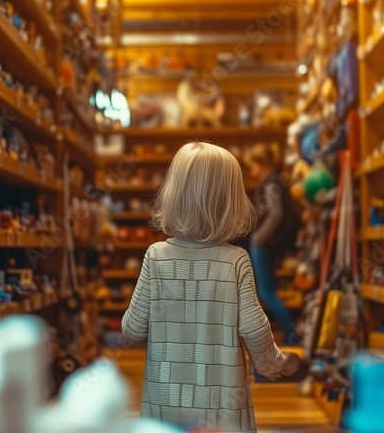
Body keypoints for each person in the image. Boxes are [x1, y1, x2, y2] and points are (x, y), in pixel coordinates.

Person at [121, 142, 300, 433]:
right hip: (224, 409)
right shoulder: (235, 260)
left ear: (173, 195)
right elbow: (254, 328)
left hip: (165, 406)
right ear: (232, 202)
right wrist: (272, 364)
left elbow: (133, 329)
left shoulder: (155, 257)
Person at [245, 143, 301, 345]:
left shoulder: (269, 183)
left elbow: (275, 214)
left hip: (264, 243)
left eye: (252, 165)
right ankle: (290, 331)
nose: (251, 170)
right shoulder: (273, 181)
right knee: (267, 291)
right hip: (268, 242)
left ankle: (291, 331)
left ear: (260, 164)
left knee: (266, 292)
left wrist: (259, 237)